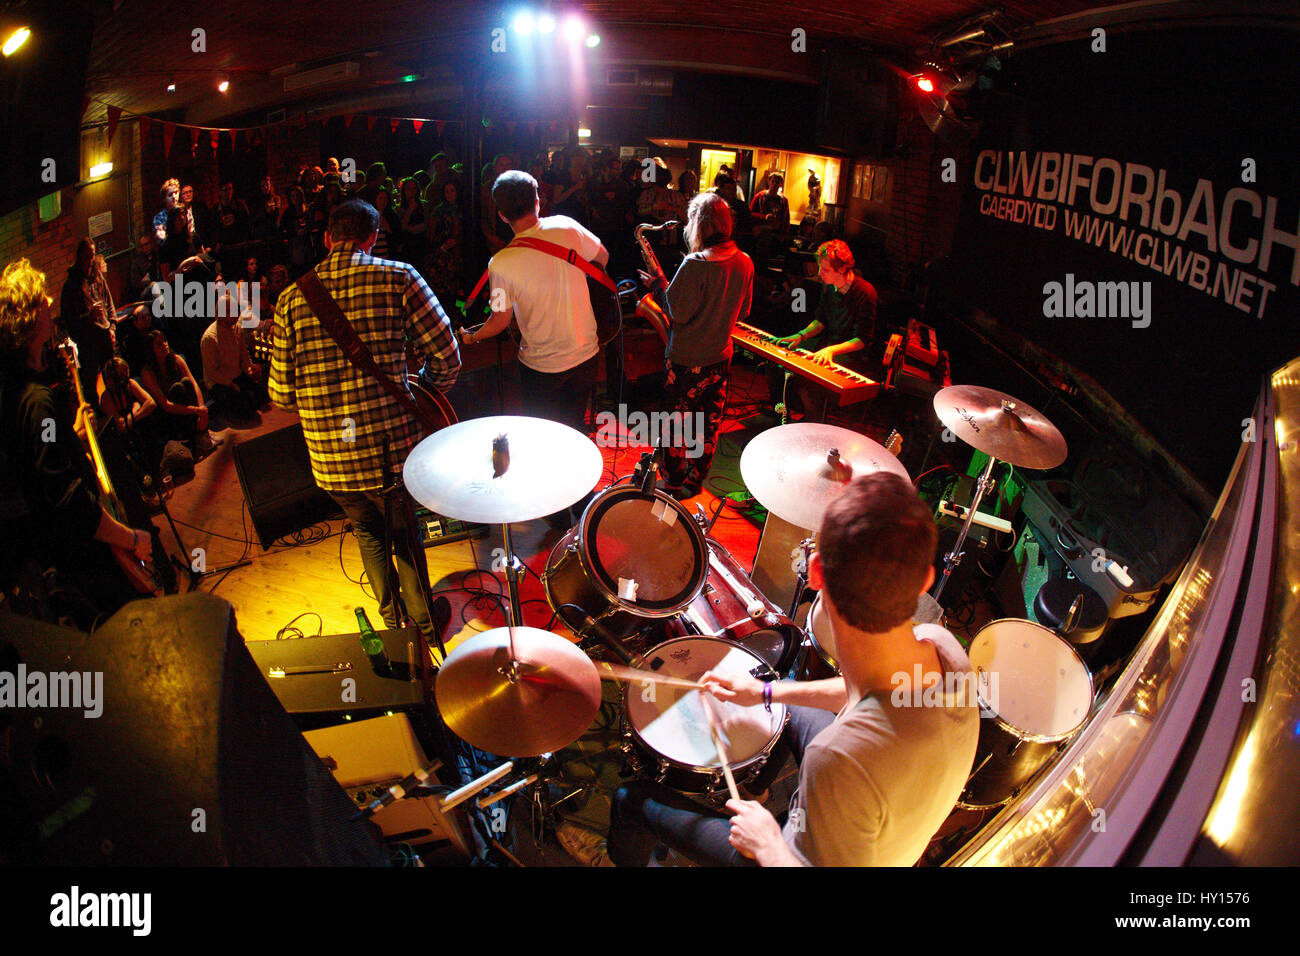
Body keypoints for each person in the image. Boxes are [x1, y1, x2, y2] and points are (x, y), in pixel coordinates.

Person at [605, 473, 980, 866]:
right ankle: (757, 791)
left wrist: (767, 841)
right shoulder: (943, 648)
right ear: (924, 581)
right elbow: (862, 694)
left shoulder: (836, 758)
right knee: (786, 699)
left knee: (631, 800)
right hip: (897, 801)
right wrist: (765, 692)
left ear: (815, 573)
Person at [270, 200, 460, 642]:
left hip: (330, 461)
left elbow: (280, 394)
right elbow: (447, 356)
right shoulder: (398, 276)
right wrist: (425, 389)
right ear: (374, 237)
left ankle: (394, 625)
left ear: (327, 238)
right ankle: (428, 629)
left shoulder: (291, 297)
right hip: (389, 453)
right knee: (404, 536)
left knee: (367, 533)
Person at [0, 259, 154, 627]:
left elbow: (42, 454)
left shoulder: (20, 392)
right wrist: (130, 538)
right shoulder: (37, 402)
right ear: (26, 320)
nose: (51, 305)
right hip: (80, 558)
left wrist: (71, 434)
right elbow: (64, 496)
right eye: (41, 301)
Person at [466, 171, 607, 525]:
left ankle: (558, 515)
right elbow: (602, 256)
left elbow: (498, 323)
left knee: (546, 436)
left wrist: (472, 337)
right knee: (576, 428)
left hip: (541, 366)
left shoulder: (501, 263)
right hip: (585, 352)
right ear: (538, 200)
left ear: (500, 214)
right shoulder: (567, 227)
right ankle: (584, 497)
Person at [637, 192, 753, 499]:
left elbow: (677, 312)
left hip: (686, 361)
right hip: (721, 359)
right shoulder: (745, 261)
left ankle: (673, 482)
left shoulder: (694, 263)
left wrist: (658, 285)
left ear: (699, 224)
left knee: (675, 425)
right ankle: (694, 480)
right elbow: (743, 312)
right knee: (709, 422)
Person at [200, 293, 264, 420]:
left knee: (260, 393)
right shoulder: (210, 338)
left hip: (236, 375)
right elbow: (212, 373)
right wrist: (230, 384)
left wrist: (250, 370)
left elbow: (244, 356)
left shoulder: (237, 328)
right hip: (219, 382)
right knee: (242, 406)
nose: (236, 314)